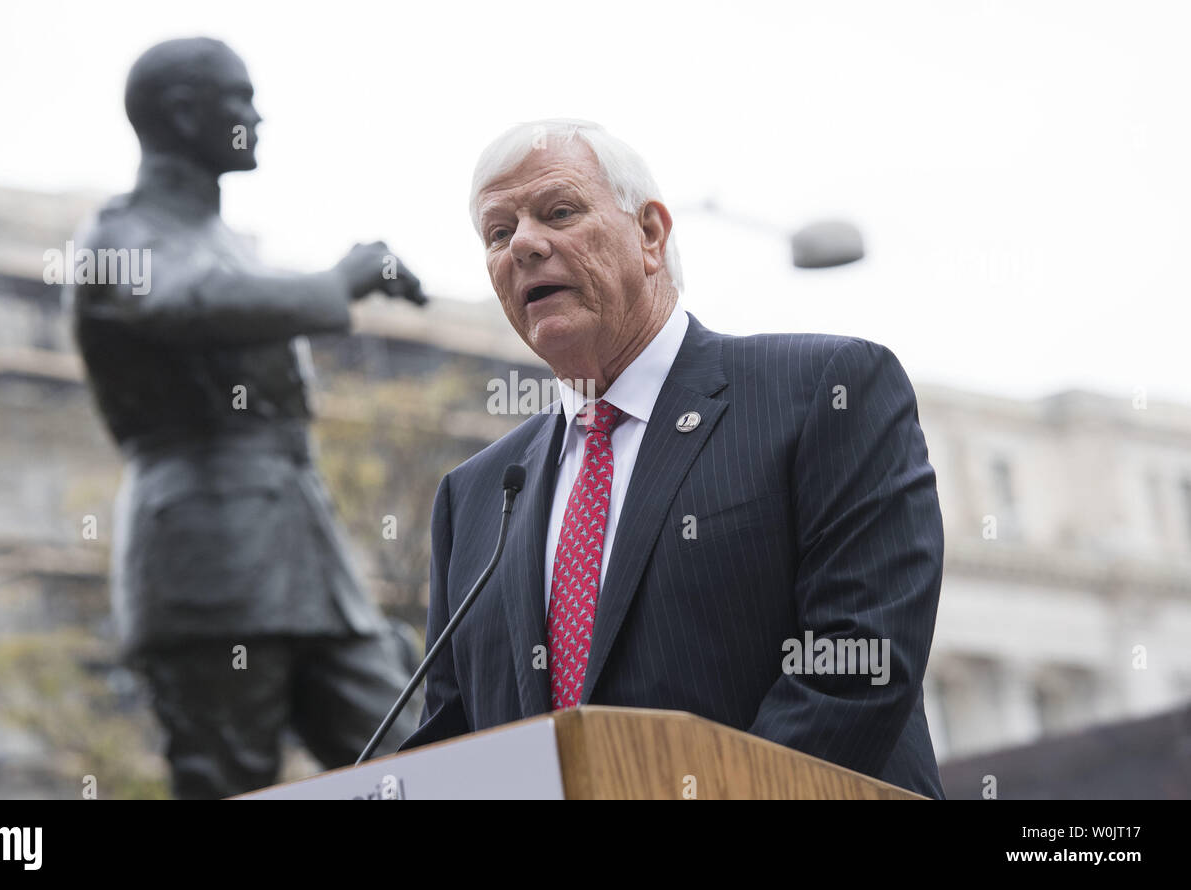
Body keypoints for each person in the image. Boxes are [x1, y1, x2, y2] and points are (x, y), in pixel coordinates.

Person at [400, 119, 945, 798]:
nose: (526, 245)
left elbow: (857, 661)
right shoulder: (475, 495)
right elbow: (454, 739)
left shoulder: (826, 391)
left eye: (558, 212)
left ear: (650, 235)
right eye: (499, 232)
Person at [67, 37, 420, 798]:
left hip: (307, 553)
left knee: (415, 762)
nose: (256, 116)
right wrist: (336, 283)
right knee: (228, 779)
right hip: (206, 556)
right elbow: (178, 302)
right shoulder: (119, 236)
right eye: (239, 100)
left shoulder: (220, 242)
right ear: (186, 114)